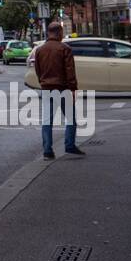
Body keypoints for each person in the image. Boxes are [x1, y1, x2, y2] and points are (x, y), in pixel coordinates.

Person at [33, 22, 84, 160]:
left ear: (48, 33)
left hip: (46, 88)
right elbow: (70, 71)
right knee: (70, 119)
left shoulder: (39, 50)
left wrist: (43, 82)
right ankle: (69, 145)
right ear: (59, 33)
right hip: (62, 89)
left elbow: (38, 70)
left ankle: (47, 151)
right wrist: (73, 88)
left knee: (47, 121)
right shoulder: (64, 48)